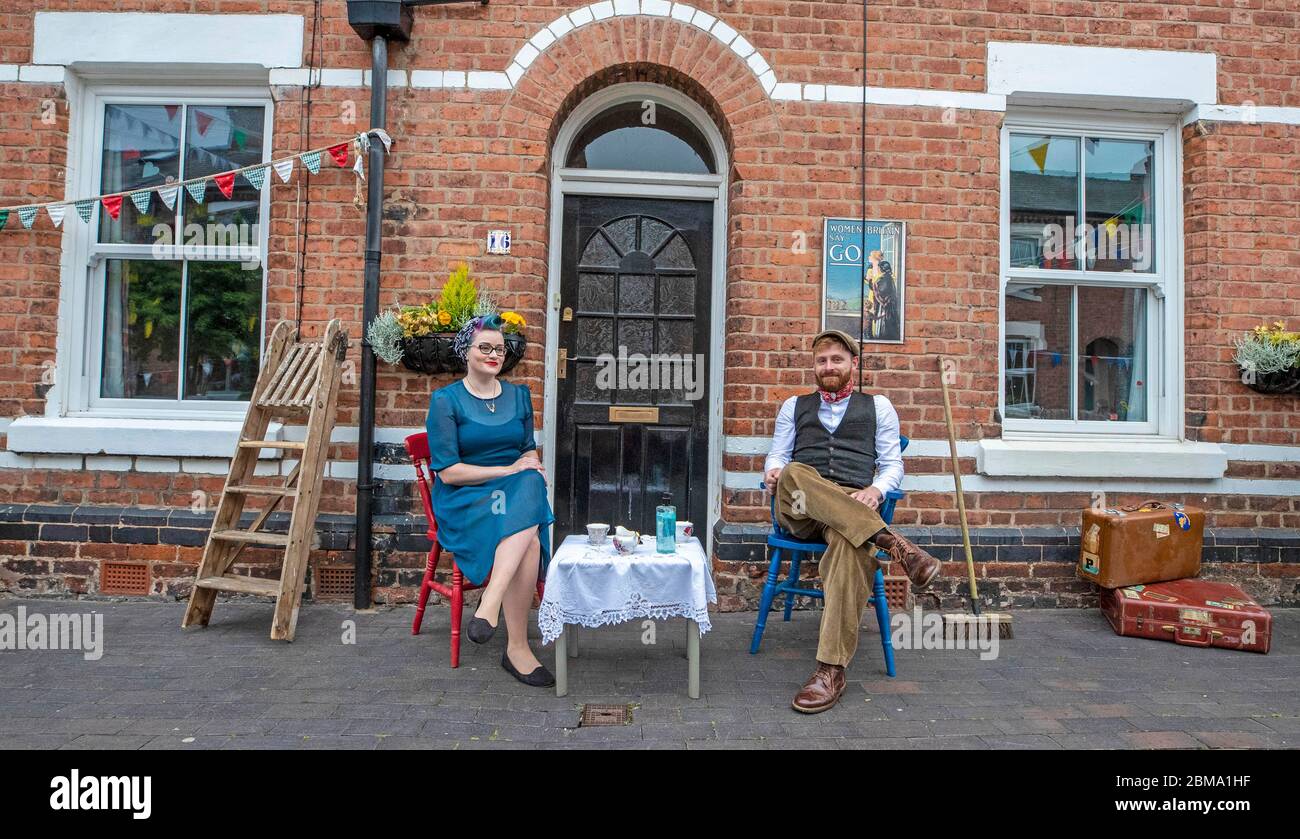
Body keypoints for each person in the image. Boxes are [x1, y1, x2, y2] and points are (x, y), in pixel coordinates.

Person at [763, 329, 941, 714]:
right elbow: (775, 458)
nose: (829, 367)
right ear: (815, 366)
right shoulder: (794, 406)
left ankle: (830, 670)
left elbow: (893, 465)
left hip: (849, 512)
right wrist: (772, 473)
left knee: (850, 544)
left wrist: (876, 492)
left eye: (836, 360)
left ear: (853, 365)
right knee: (794, 471)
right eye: (822, 360)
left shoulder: (879, 407)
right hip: (800, 506)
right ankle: (892, 542)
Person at [425, 314, 556, 687]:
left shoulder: (519, 396)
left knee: (532, 482)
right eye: (485, 347)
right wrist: (509, 471)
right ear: (466, 351)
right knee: (528, 532)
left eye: (499, 349)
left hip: (514, 494)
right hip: (466, 498)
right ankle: (515, 646)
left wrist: (524, 466)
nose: (494, 354)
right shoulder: (446, 401)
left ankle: (490, 606)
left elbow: (527, 452)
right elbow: (448, 472)